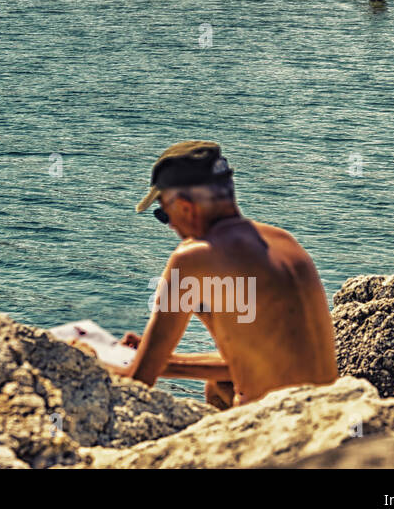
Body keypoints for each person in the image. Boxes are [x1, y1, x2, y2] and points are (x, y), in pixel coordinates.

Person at [100, 142, 337, 409]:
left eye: (163, 214)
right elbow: (257, 363)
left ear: (186, 208)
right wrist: (163, 361)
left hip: (280, 426)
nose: (170, 225)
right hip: (328, 413)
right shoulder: (285, 242)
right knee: (219, 386)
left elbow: (140, 382)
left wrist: (88, 357)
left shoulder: (192, 258)